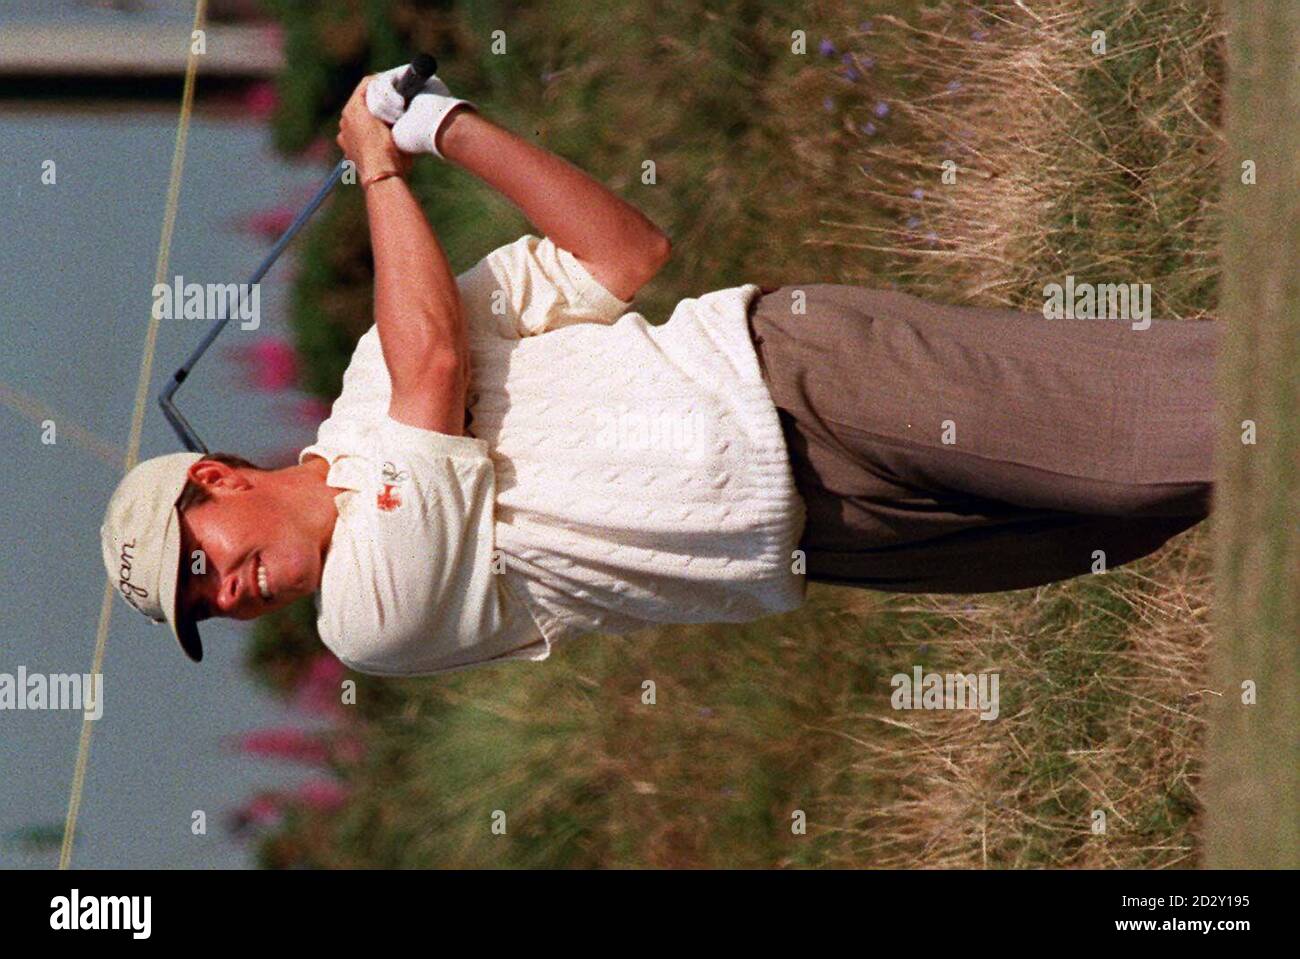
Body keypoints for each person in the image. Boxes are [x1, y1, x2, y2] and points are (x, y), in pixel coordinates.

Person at [100, 65, 1215, 675]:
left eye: (203, 567)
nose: (230, 595)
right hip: (830, 541)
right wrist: (375, 170)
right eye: (209, 609)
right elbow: (433, 367)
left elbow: (622, 254)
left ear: (216, 482)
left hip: (799, 376)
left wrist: (443, 129)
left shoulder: (365, 373)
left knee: (1181, 428)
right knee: (1167, 503)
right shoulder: (365, 622)